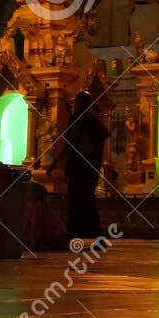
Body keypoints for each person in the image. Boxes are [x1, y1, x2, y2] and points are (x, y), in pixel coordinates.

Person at [63, 92, 108, 239]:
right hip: (86, 167)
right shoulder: (88, 121)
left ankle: (79, 230)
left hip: (81, 166)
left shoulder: (82, 120)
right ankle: (88, 230)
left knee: (80, 199)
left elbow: (72, 142)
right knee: (85, 199)